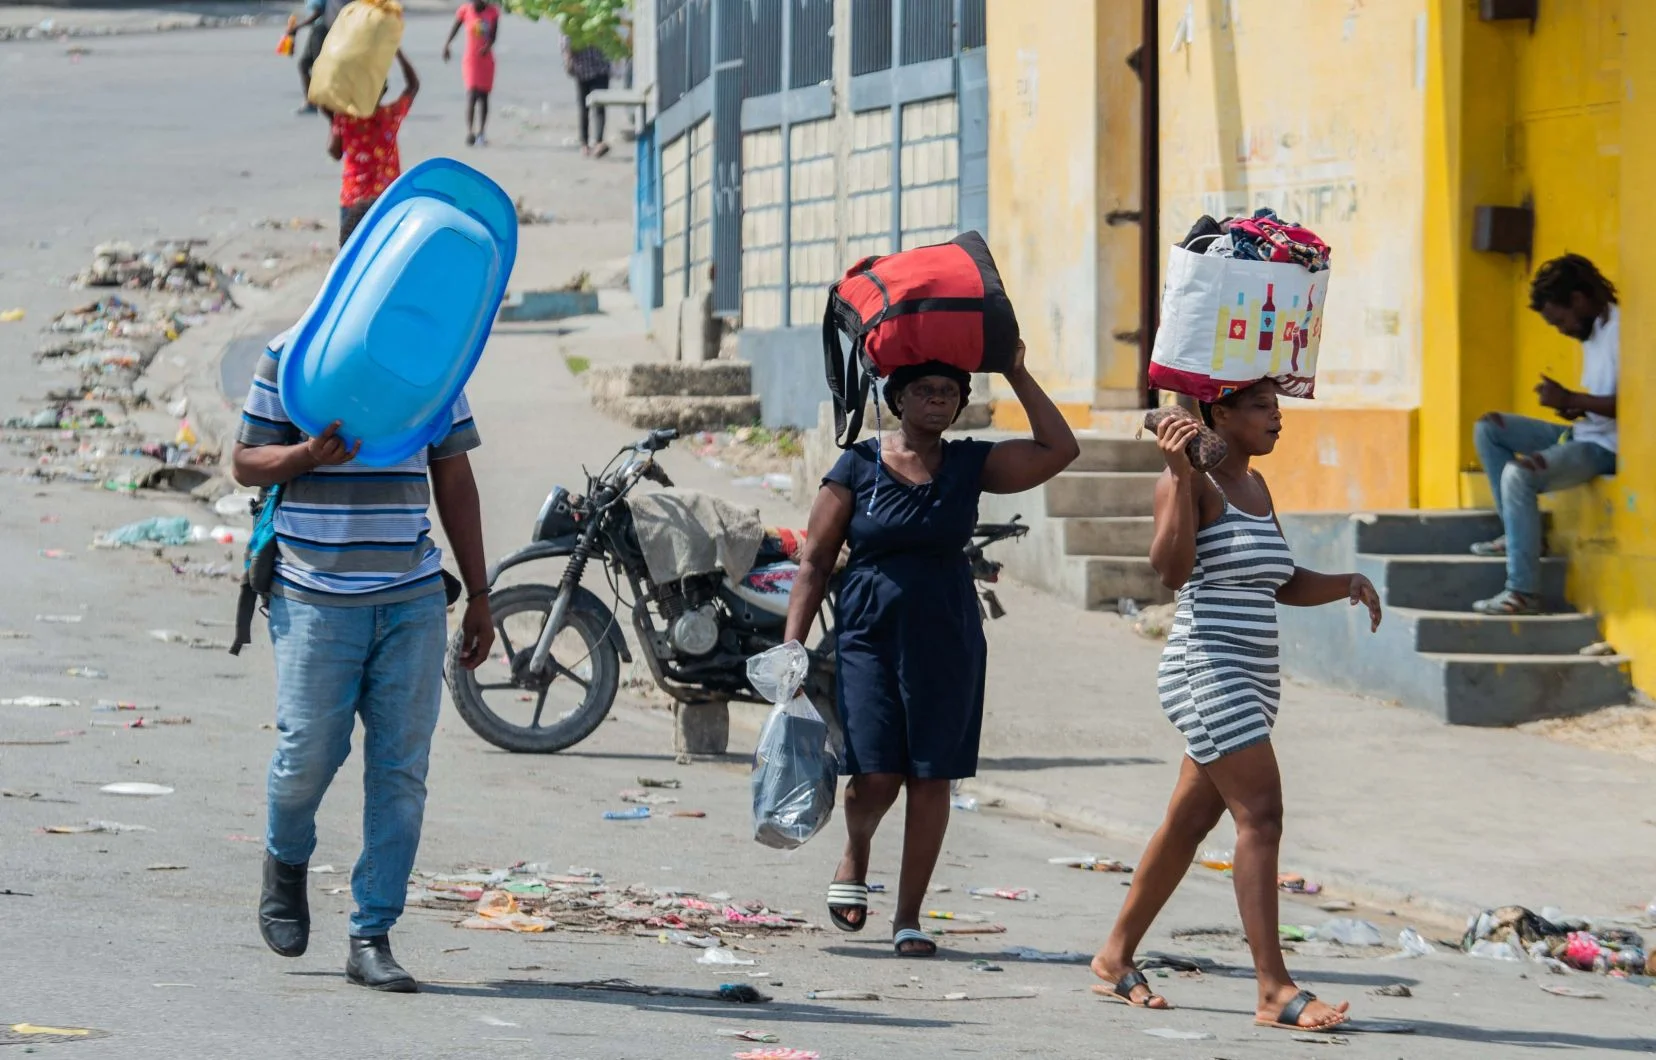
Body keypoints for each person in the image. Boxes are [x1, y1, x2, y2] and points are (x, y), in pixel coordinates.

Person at [1089, 381, 1382, 1033]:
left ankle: (1113, 956)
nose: (1277, 415)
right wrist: (1175, 470)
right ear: (1218, 414)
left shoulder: (1255, 488)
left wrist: (1346, 584)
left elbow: (1279, 581)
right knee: (1262, 815)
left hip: (1250, 677)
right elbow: (1169, 569)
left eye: (1276, 405)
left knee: (1189, 822)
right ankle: (1273, 988)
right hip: (1205, 669)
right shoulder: (1191, 483)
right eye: (1261, 406)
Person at [783, 347, 1079, 957]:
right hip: (867, 634)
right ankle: (856, 851)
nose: (938, 401)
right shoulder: (858, 466)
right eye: (925, 391)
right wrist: (791, 646)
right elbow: (814, 561)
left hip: (947, 637)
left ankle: (909, 917)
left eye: (949, 392)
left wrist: (1018, 370)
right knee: (875, 773)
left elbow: (1059, 450)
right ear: (897, 400)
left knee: (931, 776)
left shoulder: (971, 464)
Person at [234, 330, 494, 993]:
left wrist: (482, 596)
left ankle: (371, 932)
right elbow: (244, 461)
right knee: (306, 755)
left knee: (400, 772)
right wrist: (304, 455)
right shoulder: (293, 353)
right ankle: (285, 862)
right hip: (314, 594)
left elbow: (454, 472)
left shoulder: (435, 352)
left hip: (410, 596)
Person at [1469, 254, 1619, 615]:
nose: (1562, 329)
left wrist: (1571, 398)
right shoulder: (1594, 331)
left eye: (1561, 319)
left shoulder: (1626, 331)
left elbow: (1635, 407)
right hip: (1585, 431)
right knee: (1489, 428)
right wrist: (1572, 405)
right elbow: (1602, 401)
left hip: (1607, 447)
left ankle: (1522, 592)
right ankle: (1519, 537)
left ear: (1579, 300)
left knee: (1519, 475)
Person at [328, 50, 419, 246]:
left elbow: (334, 152)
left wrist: (334, 119)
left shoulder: (345, 118)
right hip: (386, 200)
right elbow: (413, 86)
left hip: (353, 200)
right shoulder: (390, 116)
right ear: (383, 90)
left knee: (351, 258)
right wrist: (398, 53)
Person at [444, 0, 500, 147]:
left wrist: (487, 47)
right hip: (470, 60)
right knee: (471, 94)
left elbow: (493, 36)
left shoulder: (492, 12)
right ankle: (470, 132)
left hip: (486, 60)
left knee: (483, 96)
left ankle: (481, 132)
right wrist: (447, 45)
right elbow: (455, 28)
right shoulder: (465, 11)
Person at [563, 37, 611, 157]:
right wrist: (568, 60)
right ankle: (584, 143)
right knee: (584, 108)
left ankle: (599, 142)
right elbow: (565, 40)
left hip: (600, 67)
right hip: (582, 69)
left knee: (600, 105)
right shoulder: (573, 20)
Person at [290, 0, 339, 115]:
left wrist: (298, 27)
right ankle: (312, 102)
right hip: (318, 29)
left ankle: (325, 104)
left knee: (316, 67)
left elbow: (318, 12)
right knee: (305, 65)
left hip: (321, 30)